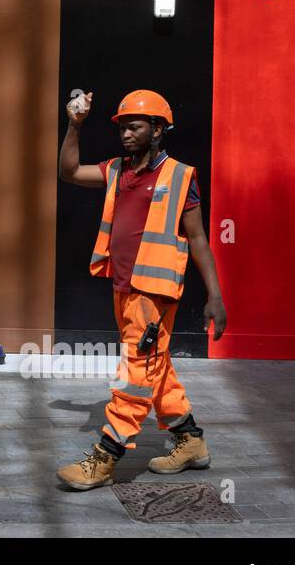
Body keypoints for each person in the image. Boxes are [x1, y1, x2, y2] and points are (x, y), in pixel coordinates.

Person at [55, 89, 228, 491]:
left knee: (136, 370)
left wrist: (214, 295)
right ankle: (190, 441)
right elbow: (68, 172)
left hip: (156, 290)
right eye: (123, 127)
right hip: (124, 286)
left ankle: (106, 456)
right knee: (156, 365)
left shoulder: (181, 175)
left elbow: (198, 238)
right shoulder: (118, 169)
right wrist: (75, 125)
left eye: (135, 127)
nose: (126, 134)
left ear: (158, 129)